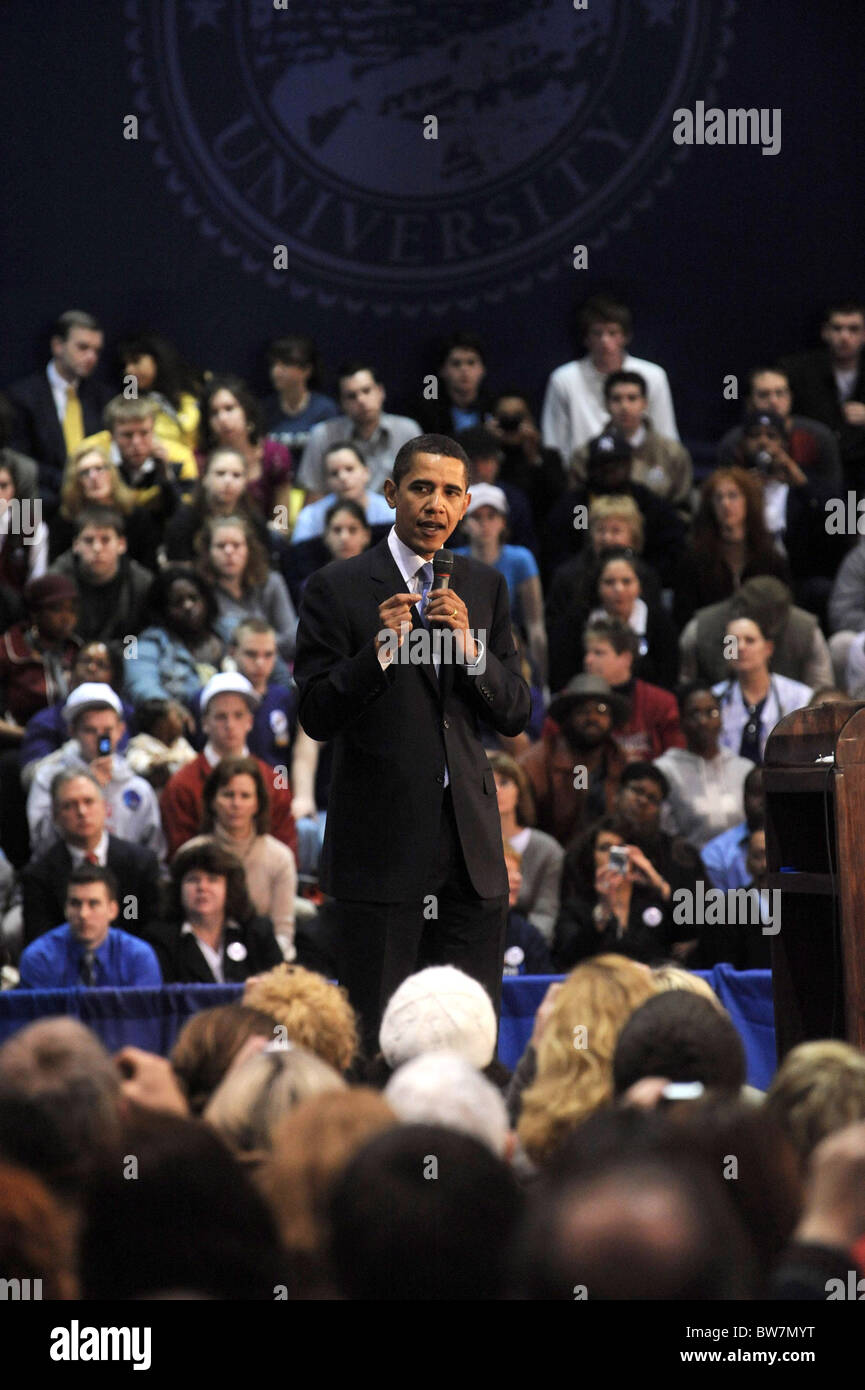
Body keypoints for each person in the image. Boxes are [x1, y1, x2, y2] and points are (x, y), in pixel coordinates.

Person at [294, 433, 531, 1053]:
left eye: (452, 492)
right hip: (382, 849)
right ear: (391, 493)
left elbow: (514, 711)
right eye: (423, 488)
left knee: (469, 1041)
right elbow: (317, 712)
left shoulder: (483, 586)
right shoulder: (337, 586)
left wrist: (472, 649)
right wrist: (376, 654)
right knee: (377, 1041)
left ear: (466, 504)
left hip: (470, 852)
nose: (436, 505)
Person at [159, 672, 297, 860]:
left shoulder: (274, 782)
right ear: (205, 723)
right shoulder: (181, 785)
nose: (230, 725)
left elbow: (286, 854)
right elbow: (181, 857)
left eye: (238, 715)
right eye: (221, 716)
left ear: (249, 721)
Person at [20, 768, 161, 946]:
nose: (82, 812)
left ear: (104, 807)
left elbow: (146, 924)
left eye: (89, 801)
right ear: (55, 815)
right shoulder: (39, 876)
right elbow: (41, 939)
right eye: (69, 805)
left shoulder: (138, 863)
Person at [27, 682, 165, 862]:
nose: (100, 739)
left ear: (121, 731)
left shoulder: (137, 787)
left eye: (107, 731)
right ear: (72, 732)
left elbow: (154, 853)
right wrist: (85, 786)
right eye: (90, 731)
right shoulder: (48, 777)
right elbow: (41, 844)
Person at [541, 295, 679, 463]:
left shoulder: (653, 376)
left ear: (625, 337)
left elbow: (666, 435)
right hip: (583, 476)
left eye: (612, 333)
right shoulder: (563, 379)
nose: (605, 341)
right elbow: (554, 443)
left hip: (641, 474)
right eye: (597, 333)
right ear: (586, 338)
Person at [542, 428, 686, 585]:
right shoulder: (578, 507)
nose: (609, 470)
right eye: (602, 464)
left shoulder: (647, 504)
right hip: (583, 585)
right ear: (590, 468)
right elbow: (560, 552)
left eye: (616, 464)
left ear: (629, 465)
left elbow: (670, 550)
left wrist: (640, 577)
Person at [193, 755, 297, 958]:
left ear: (258, 803)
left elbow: (283, 933)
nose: (236, 804)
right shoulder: (192, 854)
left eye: (245, 796)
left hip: (265, 962)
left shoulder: (280, 858)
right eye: (228, 794)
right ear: (212, 801)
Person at [6, 310, 111, 507]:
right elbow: (19, 460)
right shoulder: (22, 397)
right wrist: (69, 481)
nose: (91, 357)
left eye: (96, 351)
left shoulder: (103, 397)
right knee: (26, 505)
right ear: (57, 346)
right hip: (46, 495)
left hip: (95, 498)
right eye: (83, 347)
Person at [145, 838, 283, 984]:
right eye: (193, 880)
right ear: (178, 888)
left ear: (229, 888)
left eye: (212, 880)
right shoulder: (160, 939)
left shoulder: (256, 931)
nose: (202, 887)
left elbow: (283, 987)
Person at [453, 482, 547, 688]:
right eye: (476, 517)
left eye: (492, 516)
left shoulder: (521, 559)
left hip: (512, 649)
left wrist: (542, 682)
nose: (484, 524)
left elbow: (535, 625)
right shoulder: (454, 561)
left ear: (503, 522)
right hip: (464, 649)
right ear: (465, 524)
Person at [673, 466, 789, 630]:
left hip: (762, 638)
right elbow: (684, 616)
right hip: (712, 636)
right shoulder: (695, 559)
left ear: (748, 501)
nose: (725, 504)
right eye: (718, 498)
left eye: (733, 496)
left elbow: (783, 606)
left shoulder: (769, 557)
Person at [549, 547, 679, 693]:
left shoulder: (660, 623)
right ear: (597, 586)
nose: (618, 589)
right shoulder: (575, 622)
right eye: (609, 582)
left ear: (640, 586)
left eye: (627, 581)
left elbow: (668, 677)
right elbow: (561, 677)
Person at [519, 673, 628, 847]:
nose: (592, 718)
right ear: (567, 717)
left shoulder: (618, 759)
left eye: (601, 710)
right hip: (557, 858)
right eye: (583, 710)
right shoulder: (535, 763)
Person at [553, 816, 677, 969]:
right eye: (605, 848)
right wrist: (603, 910)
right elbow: (568, 958)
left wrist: (657, 881)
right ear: (592, 857)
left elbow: (694, 929)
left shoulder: (652, 900)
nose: (613, 855)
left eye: (621, 848)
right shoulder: (577, 907)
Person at [679, 575, 833, 690]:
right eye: (762, 616)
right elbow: (687, 688)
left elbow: (820, 690)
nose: (769, 623)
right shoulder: (704, 628)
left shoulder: (804, 629)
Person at [18, 865, 161, 988]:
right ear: (65, 908)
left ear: (113, 910)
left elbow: (146, 1018)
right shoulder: (39, 958)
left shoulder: (138, 957)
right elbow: (38, 1020)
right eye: (75, 903)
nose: (83, 914)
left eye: (93, 904)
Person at [570, 369, 693, 513]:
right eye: (616, 399)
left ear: (644, 403)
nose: (624, 407)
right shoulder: (586, 455)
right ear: (606, 405)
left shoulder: (672, 454)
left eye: (632, 398)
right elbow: (577, 509)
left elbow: (683, 510)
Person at [296, 361, 422, 497]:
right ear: (342, 403)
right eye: (351, 396)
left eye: (366, 391)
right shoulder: (323, 434)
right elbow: (315, 493)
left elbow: (419, 487)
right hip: (339, 515)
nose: (361, 400)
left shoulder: (407, 430)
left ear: (381, 391)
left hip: (394, 515)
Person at [653, 684, 753, 850]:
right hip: (692, 867)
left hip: (741, 866)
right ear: (681, 722)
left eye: (711, 713)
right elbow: (665, 830)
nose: (703, 721)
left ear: (721, 719)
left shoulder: (743, 769)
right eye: (694, 714)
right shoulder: (665, 770)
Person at [122, 564, 226, 717]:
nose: (188, 606)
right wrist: (167, 707)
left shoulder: (225, 634)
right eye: (178, 602)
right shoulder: (143, 645)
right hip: (174, 724)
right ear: (163, 610)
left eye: (193, 598)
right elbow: (139, 683)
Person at [780, 300, 865, 485]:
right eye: (837, 328)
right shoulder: (797, 371)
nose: (844, 337)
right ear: (825, 332)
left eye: (853, 329)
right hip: (811, 468)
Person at [196, 514, 298, 661]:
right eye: (220, 546)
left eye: (236, 545)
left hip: (274, 668)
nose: (229, 552)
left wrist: (255, 650)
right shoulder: (200, 590)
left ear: (249, 549)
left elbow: (291, 638)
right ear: (208, 552)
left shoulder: (271, 583)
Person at [717, 366, 841, 485]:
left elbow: (832, 493)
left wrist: (800, 481)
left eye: (780, 393)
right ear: (750, 402)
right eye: (764, 395)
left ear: (791, 397)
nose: (773, 401)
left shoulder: (818, 437)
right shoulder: (733, 443)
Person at [583, 616, 684, 761]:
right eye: (587, 653)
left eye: (598, 653)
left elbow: (677, 760)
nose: (588, 660)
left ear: (625, 658)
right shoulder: (572, 704)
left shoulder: (661, 703)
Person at [488, 751, 564, 944]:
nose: (496, 790)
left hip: (529, 945)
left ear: (519, 791)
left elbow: (545, 913)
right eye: (488, 782)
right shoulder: (467, 845)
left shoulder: (547, 849)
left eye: (504, 782)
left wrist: (526, 947)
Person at [713, 615, 813, 763]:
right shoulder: (713, 698)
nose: (740, 647)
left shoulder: (801, 697)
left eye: (750, 640)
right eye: (732, 642)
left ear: (768, 648)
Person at [49, 506, 152, 644]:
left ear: (121, 544)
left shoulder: (142, 584)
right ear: (76, 545)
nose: (97, 548)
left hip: (126, 657)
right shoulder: (55, 582)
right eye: (88, 540)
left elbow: (144, 638)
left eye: (105, 540)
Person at [50, 441, 160, 569]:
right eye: (85, 472)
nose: (94, 477)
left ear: (112, 474)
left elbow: (149, 568)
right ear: (76, 482)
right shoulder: (65, 521)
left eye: (99, 468)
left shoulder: (136, 516)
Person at [80, 394, 197, 513]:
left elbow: (186, 517)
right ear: (111, 436)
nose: (136, 442)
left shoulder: (179, 457)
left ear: (153, 431)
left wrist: (166, 477)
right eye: (127, 435)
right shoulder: (90, 455)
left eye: (144, 433)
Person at [200, 375, 294, 522]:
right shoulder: (201, 459)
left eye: (229, 408)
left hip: (265, 537)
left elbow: (281, 516)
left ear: (247, 411)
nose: (223, 419)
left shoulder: (275, 455)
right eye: (214, 413)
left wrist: (278, 529)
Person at [0, 574, 80, 740]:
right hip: (17, 743)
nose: (66, 618)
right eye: (57, 609)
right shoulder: (8, 652)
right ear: (35, 613)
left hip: (73, 741)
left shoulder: (78, 650)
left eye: (71, 609)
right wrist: (27, 735)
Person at [163, 446, 270, 562]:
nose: (228, 481)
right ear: (205, 478)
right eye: (220, 473)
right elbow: (177, 569)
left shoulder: (255, 522)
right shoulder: (183, 521)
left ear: (245, 483)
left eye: (236, 475)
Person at [486, 389, 566, 530]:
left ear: (530, 419)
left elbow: (557, 501)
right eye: (504, 417)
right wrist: (488, 444)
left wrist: (533, 457)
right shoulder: (484, 458)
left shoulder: (549, 458)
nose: (511, 423)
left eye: (518, 417)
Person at [224, 618, 296, 767]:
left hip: (278, 784)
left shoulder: (285, 698)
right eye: (251, 654)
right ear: (232, 652)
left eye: (268, 654)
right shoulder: (216, 700)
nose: (260, 663)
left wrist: (283, 790)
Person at [290, 442, 392, 544]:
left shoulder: (391, 512)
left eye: (349, 469)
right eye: (334, 473)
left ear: (366, 472)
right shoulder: (310, 517)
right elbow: (299, 556)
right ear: (327, 481)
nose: (343, 477)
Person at [262, 334, 339, 464]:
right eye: (274, 364)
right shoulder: (265, 409)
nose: (276, 371)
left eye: (285, 364)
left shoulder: (325, 410)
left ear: (307, 370)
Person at [117, 332, 201, 452]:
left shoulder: (190, 396)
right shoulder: (131, 406)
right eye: (125, 365)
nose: (128, 370)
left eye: (136, 361)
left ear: (157, 360)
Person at [701, 764, 765, 893]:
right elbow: (715, 909)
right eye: (758, 793)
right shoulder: (716, 853)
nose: (765, 800)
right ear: (744, 798)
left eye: (771, 793)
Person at [415, 330, 493, 435]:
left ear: (482, 369)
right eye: (456, 363)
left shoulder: (495, 407)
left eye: (471, 363)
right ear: (442, 370)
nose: (464, 370)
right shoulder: (427, 413)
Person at [0, 453, 48, 591]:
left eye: (3, 485)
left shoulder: (29, 524)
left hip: (16, 609)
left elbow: (37, 582)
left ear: (15, 489)